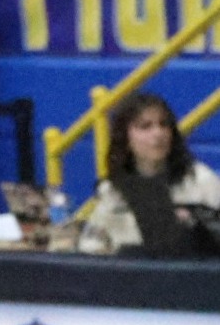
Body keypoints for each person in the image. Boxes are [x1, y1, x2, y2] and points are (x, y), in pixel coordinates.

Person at [78, 92, 220, 255]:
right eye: (145, 127)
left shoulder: (202, 180)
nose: (158, 134)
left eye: (164, 125)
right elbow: (91, 245)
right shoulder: (112, 189)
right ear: (125, 137)